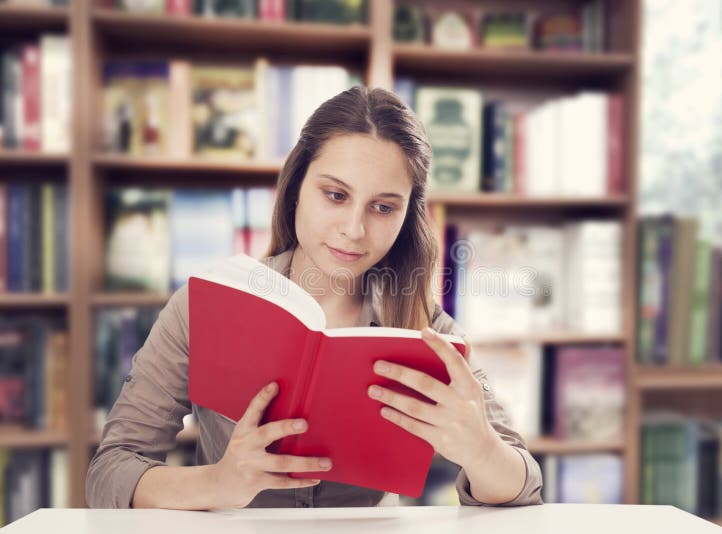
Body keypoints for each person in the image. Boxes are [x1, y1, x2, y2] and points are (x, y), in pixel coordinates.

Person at [86, 86, 543, 510]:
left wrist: (480, 450)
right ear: (297, 189)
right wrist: (220, 482)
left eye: (383, 207)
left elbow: (525, 485)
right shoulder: (202, 308)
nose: (354, 229)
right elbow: (109, 473)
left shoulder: (428, 329)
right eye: (335, 194)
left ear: (407, 215)